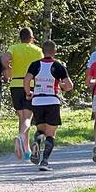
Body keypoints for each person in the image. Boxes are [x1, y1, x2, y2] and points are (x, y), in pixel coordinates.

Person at [22, 39, 72, 172]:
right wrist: (61, 86)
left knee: (41, 130)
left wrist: (28, 93)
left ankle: (37, 142)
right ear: (54, 51)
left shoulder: (35, 64)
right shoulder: (58, 66)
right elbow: (69, 86)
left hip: (37, 101)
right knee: (50, 134)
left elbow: (26, 80)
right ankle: (44, 161)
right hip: (52, 101)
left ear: (42, 51)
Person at [4, 27, 43, 161]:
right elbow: (42, 66)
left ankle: (26, 150)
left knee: (21, 117)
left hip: (15, 84)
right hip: (31, 85)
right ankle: (20, 137)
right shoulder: (37, 50)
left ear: (20, 37)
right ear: (31, 38)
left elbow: (5, 59)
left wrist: (8, 68)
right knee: (28, 117)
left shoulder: (13, 48)